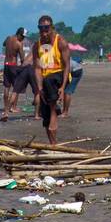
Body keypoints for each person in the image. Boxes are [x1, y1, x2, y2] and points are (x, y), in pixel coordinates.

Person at [33, 14, 70, 146]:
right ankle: (53, 144)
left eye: (46, 28)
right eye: (41, 29)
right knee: (45, 115)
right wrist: (39, 88)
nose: (44, 32)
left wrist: (63, 87)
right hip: (46, 82)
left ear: (52, 27)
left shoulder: (60, 42)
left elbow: (67, 66)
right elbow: (37, 68)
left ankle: (55, 109)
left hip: (59, 76)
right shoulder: (36, 46)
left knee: (49, 80)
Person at [1, 28, 26, 120]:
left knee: (6, 87)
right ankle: (13, 107)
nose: (23, 38)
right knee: (16, 87)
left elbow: (4, 44)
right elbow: (22, 58)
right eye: (22, 36)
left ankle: (5, 107)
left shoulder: (8, 38)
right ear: (19, 34)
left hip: (6, 65)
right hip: (13, 66)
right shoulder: (19, 44)